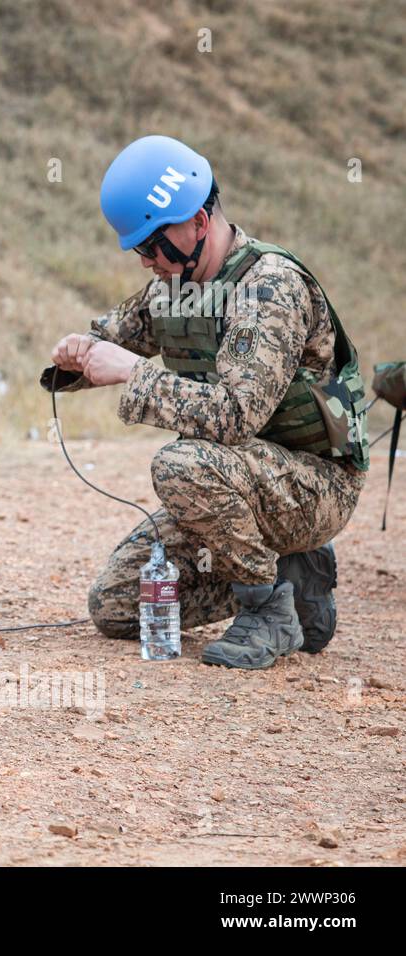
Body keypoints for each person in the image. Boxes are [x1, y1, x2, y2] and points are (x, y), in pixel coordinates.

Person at [43, 135, 369, 669]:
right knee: (120, 605)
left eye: (153, 244)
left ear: (197, 221)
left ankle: (268, 610)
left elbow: (237, 415)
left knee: (181, 463)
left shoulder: (268, 289)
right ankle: (290, 570)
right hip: (240, 482)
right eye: (138, 250)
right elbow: (111, 338)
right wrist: (75, 357)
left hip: (315, 485)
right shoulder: (175, 285)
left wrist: (133, 374)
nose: (147, 260)